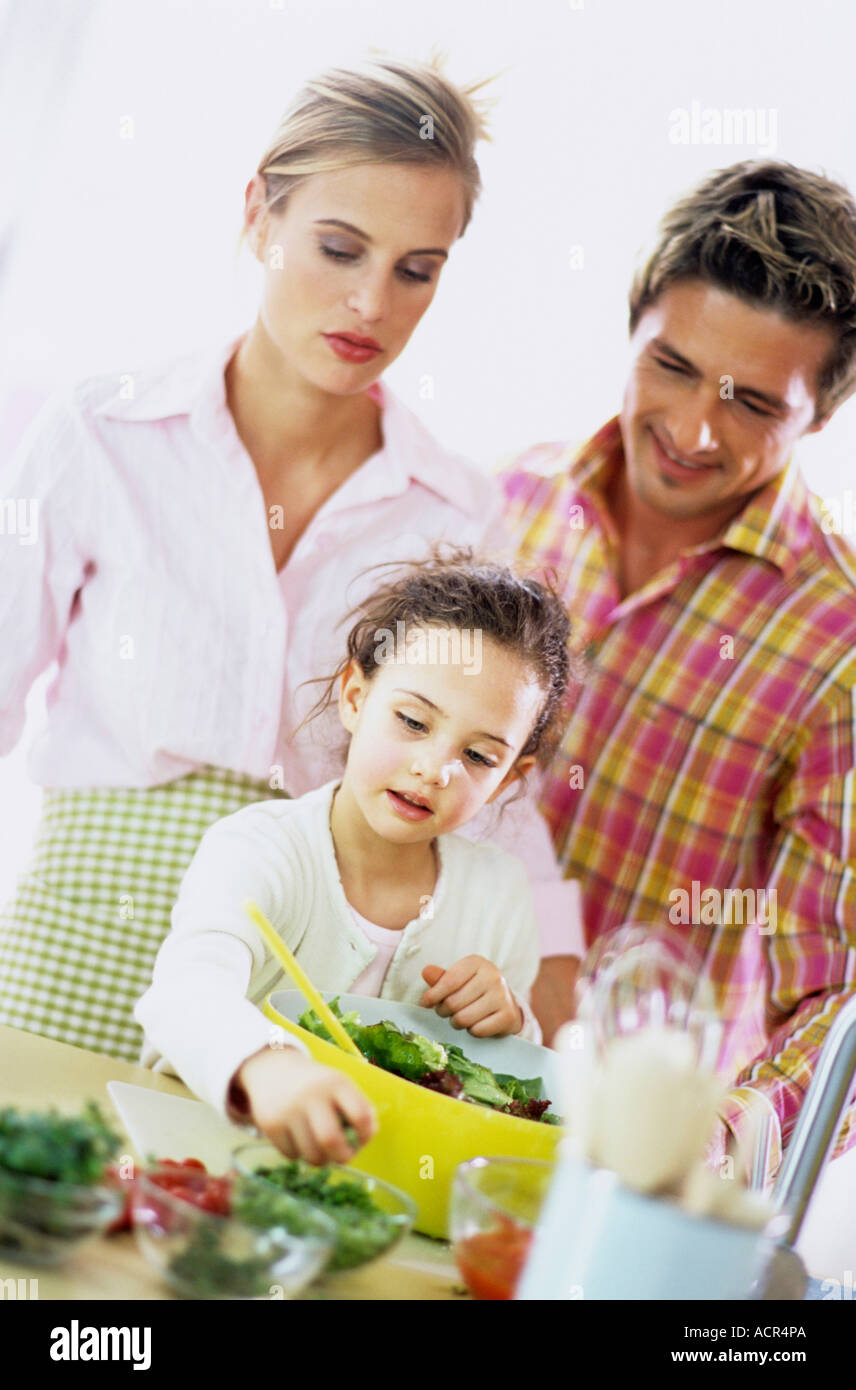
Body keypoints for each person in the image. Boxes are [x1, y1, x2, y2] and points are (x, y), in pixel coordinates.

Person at [0, 56, 581, 1063]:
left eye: (416, 268)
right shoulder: (100, 433)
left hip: (298, 992)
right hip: (73, 953)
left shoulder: (453, 508)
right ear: (260, 215)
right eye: (338, 247)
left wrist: (543, 997)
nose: (370, 303)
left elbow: (488, 783)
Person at [501, 160, 856, 1183]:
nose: (695, 429)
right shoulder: (502, 500)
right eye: (672, 366)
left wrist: (705, 1142)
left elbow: (834, 1008)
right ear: (633, 325)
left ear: (819, 417)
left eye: (752, 402)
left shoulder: (836, 644)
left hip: (616, 1168)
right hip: (404, 1071)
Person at [135, 552, 572, 1164]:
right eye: (413, 721)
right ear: (354, 695)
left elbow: (513, 1070)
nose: (434, 769)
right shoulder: (260, 848)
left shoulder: (499, 894)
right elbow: (185, 992)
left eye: (478, 758)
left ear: (507, 780)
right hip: (205, 1166)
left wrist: (512, 1020)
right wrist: (267, 1068)